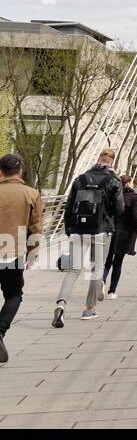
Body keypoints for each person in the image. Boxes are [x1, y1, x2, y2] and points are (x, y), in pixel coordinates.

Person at [55, 148, 122, 326]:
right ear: (112, 162)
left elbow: (68, 206)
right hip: (101, 230)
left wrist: (69, 228)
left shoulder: (81, 178)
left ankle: (61, 305)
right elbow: (119, 208)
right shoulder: (113, 180)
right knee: (97, 269)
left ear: (98, 158)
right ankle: (89, 308)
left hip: (78, 229)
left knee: (73, 271)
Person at [0, 154, 42, 363]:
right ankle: (0, 331)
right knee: (14, 294)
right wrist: (32, 253)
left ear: (0, 172)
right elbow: (36, 228)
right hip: (13, 253)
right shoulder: (31, 194)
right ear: (21, 172)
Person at [101, 174, 137, 299]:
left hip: (111, 230)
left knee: (107, 261)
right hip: (125, 232)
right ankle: (112, 292)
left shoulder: (112, 195)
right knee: (118, 262)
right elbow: (135, 216)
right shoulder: (134, 197)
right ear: (128, 183)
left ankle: (102, 281)